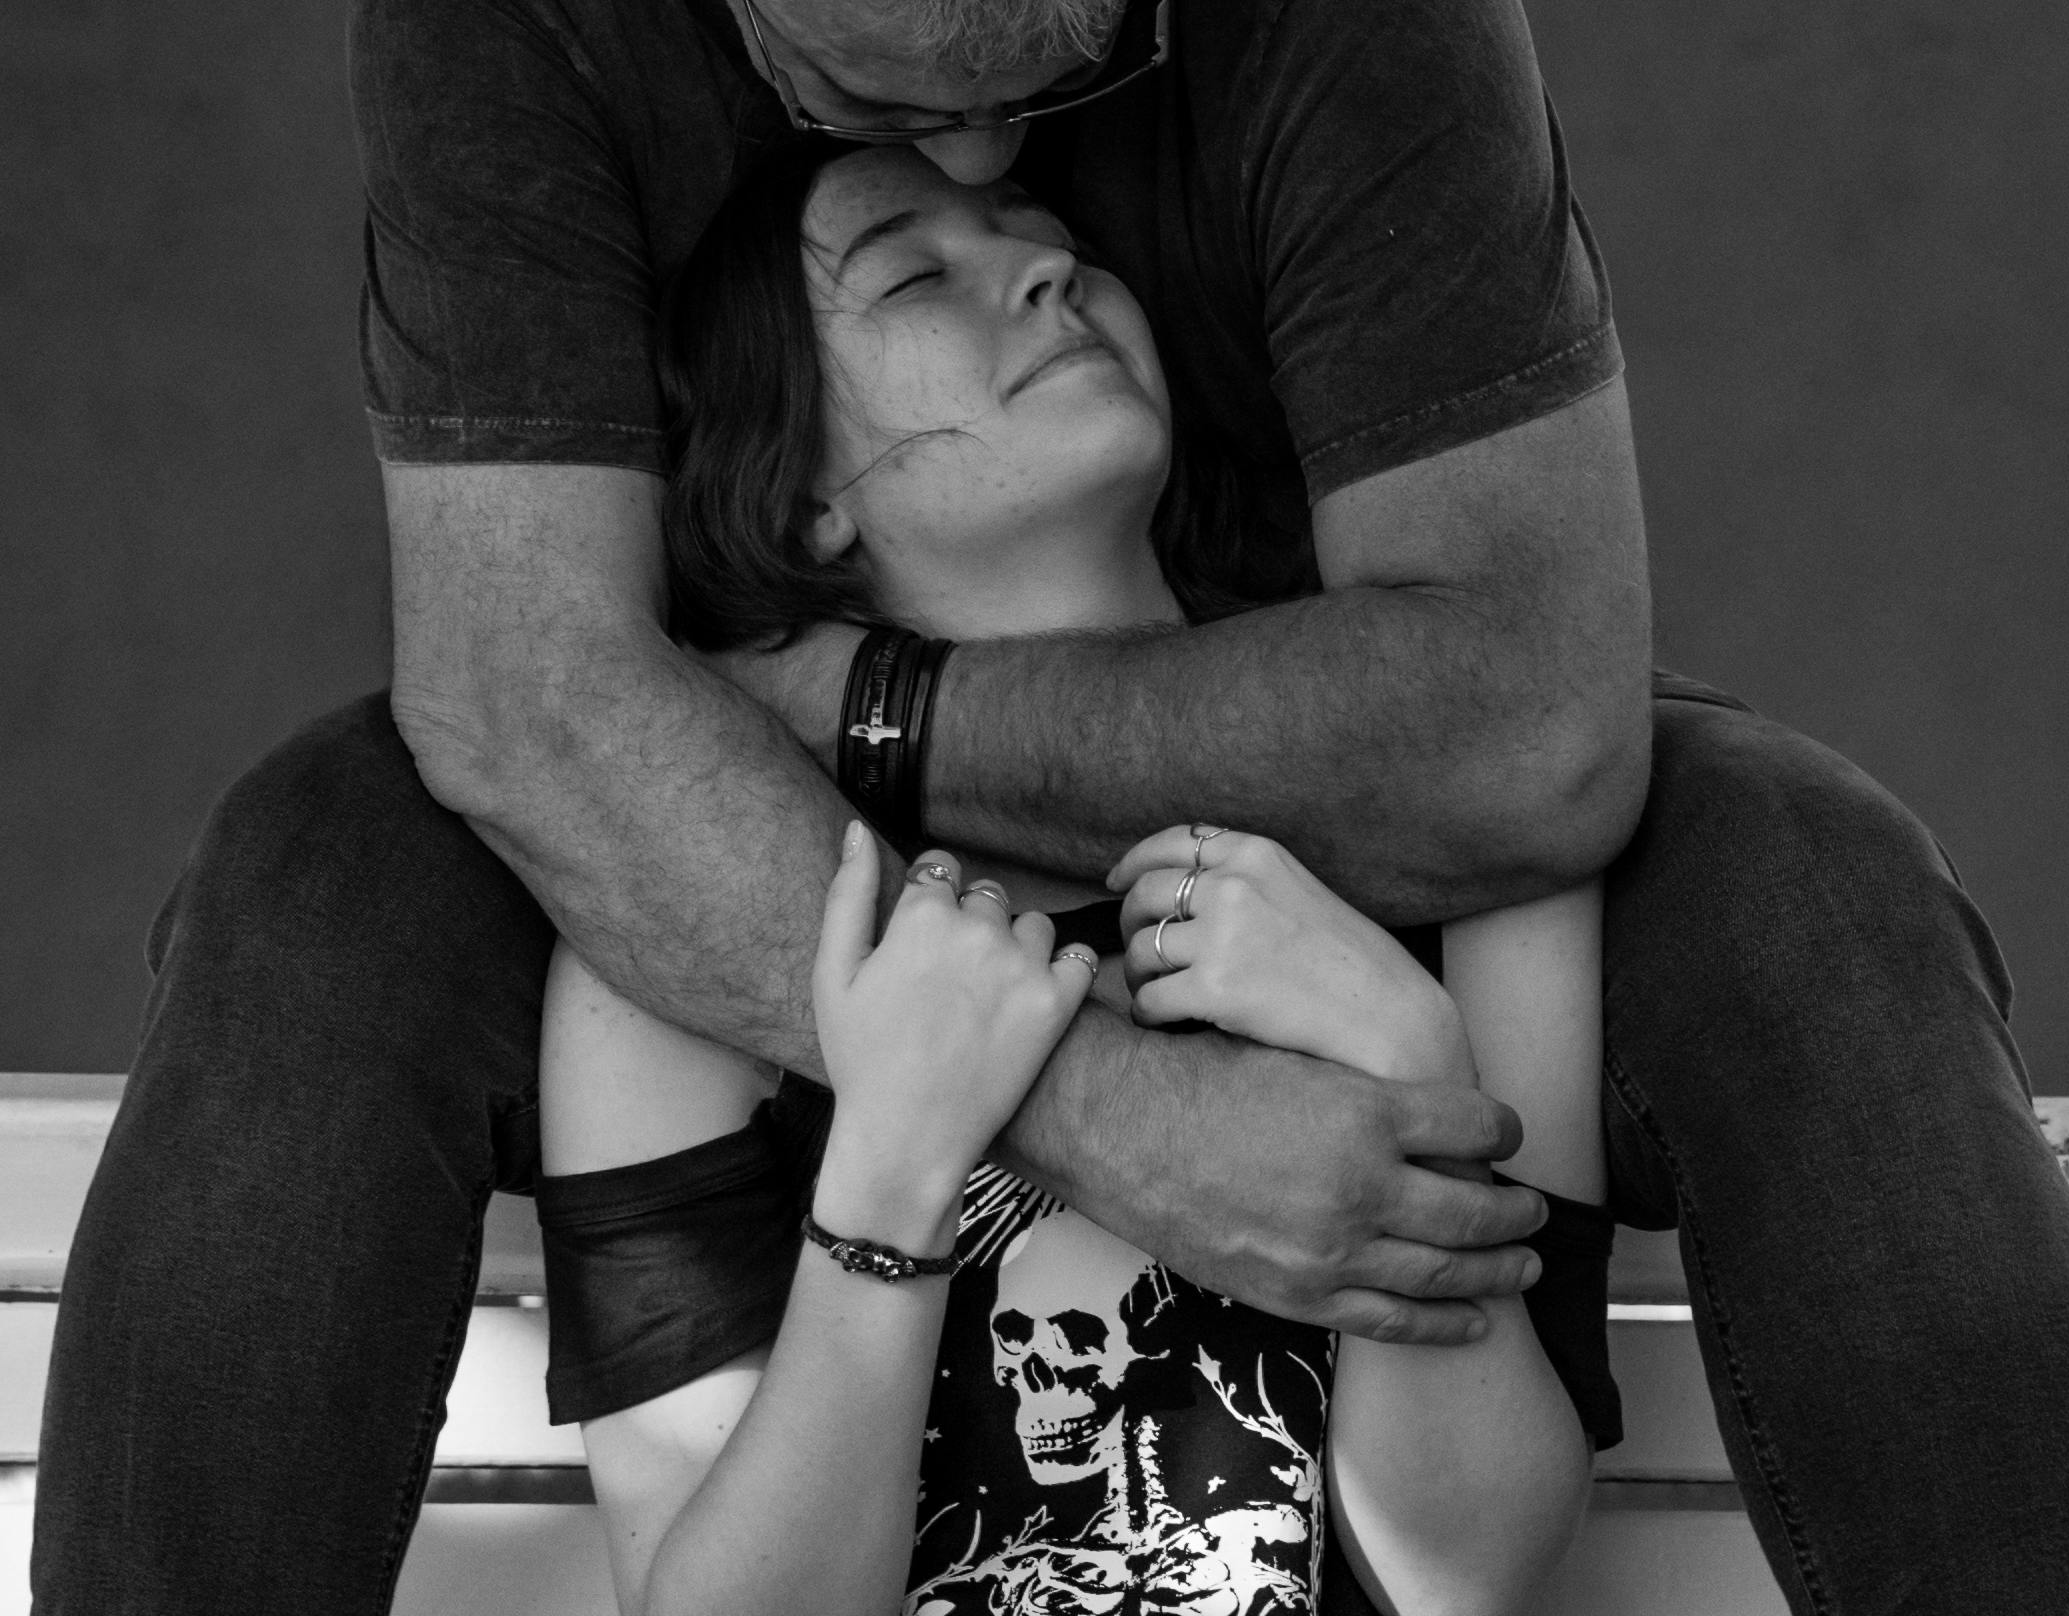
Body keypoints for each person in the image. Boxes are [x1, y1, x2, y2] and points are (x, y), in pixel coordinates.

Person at [33, 0, 2069, 1614]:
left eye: (1049, 98)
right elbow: (536, 702)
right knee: (314, 882)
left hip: (1314, 752)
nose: (983, 173)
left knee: (1818, 886)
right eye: (869, 105)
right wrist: (1097, 1107)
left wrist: (889, 716)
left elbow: (1525, 715)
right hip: (716, 797)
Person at [542, 138, 1612, 1616]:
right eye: (919, 273)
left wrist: (1408, 1065)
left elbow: (1475, 1573)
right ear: (798, 499)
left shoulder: (1453, 831)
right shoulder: (687, 931)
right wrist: (899, 1162)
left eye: (1046, 232)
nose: (1045, 270)